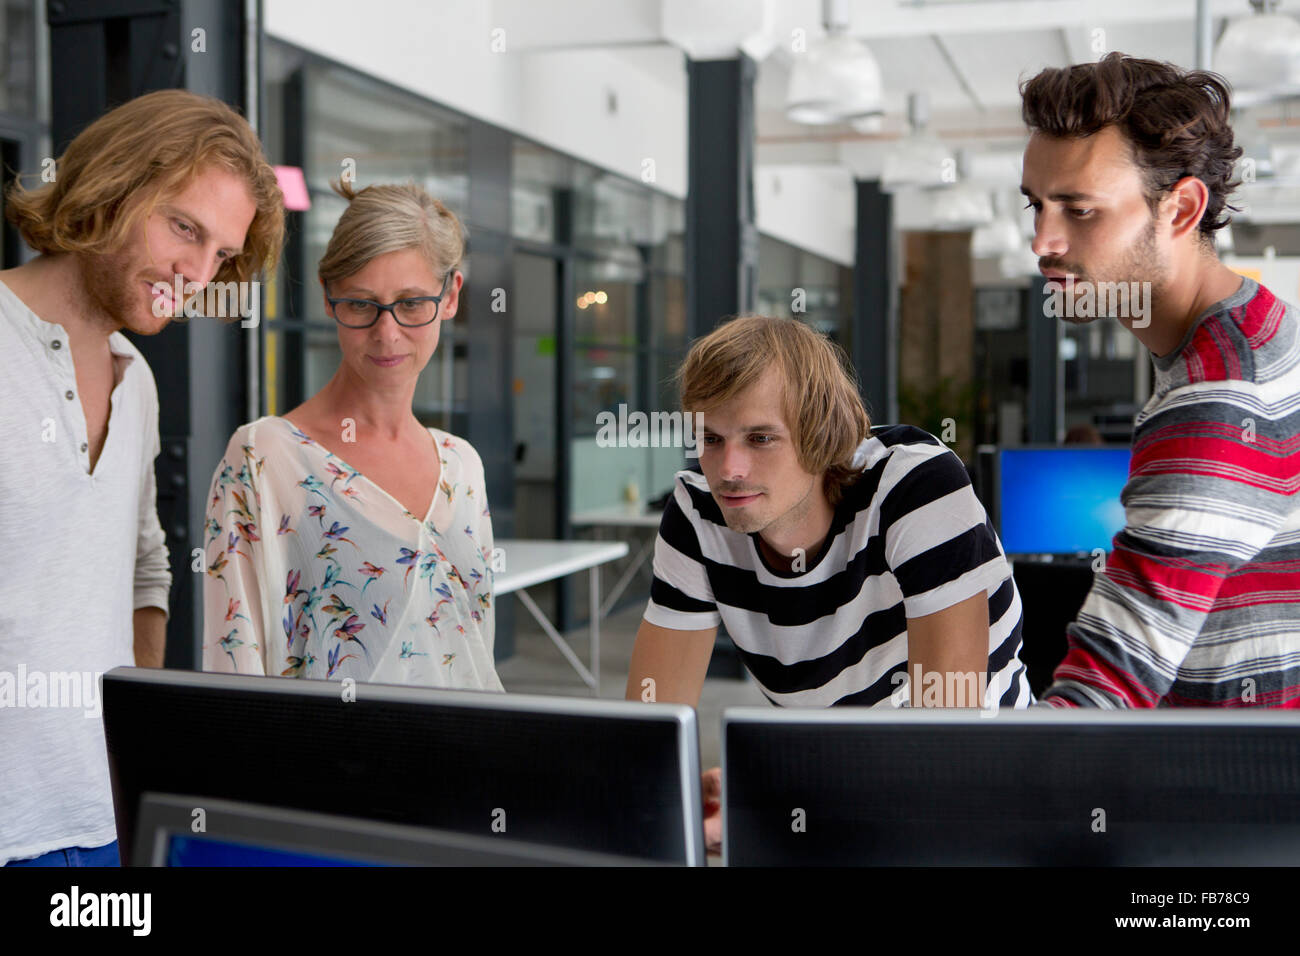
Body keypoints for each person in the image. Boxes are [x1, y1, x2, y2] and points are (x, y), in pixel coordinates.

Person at [0, 89, 284, 866]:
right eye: (183, 228)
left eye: (221, 255)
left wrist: (135, 758)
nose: (195, 272)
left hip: (105, 822)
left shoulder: (140, 381)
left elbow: (144, 569)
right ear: (109, 188)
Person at [625, 316, 1032, 850]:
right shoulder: (698, 512)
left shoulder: (917, 484)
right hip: (826, 799)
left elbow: (946, 737)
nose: (729, 469)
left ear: (820, 435)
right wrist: (664, 795)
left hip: (984, 804)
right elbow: (646, 731)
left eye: (761, 437)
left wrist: (780, 801)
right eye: (711, 438)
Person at [1020, 53, 1300, 707]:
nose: (1042, 241)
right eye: (1036, 205)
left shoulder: (1216, 400)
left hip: (1230, 797)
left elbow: (1103, 694)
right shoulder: (1267, 325)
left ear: (1180, 209)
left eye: (1079, 211)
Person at [201, 182, 502, 691]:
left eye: (410, 304)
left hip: (467, 761)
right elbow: (235, 671)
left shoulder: (462, 465)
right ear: (327, 297)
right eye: (361, 305)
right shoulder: (266, 459)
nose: (387, 334)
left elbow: (475, 649)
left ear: (450, 296)